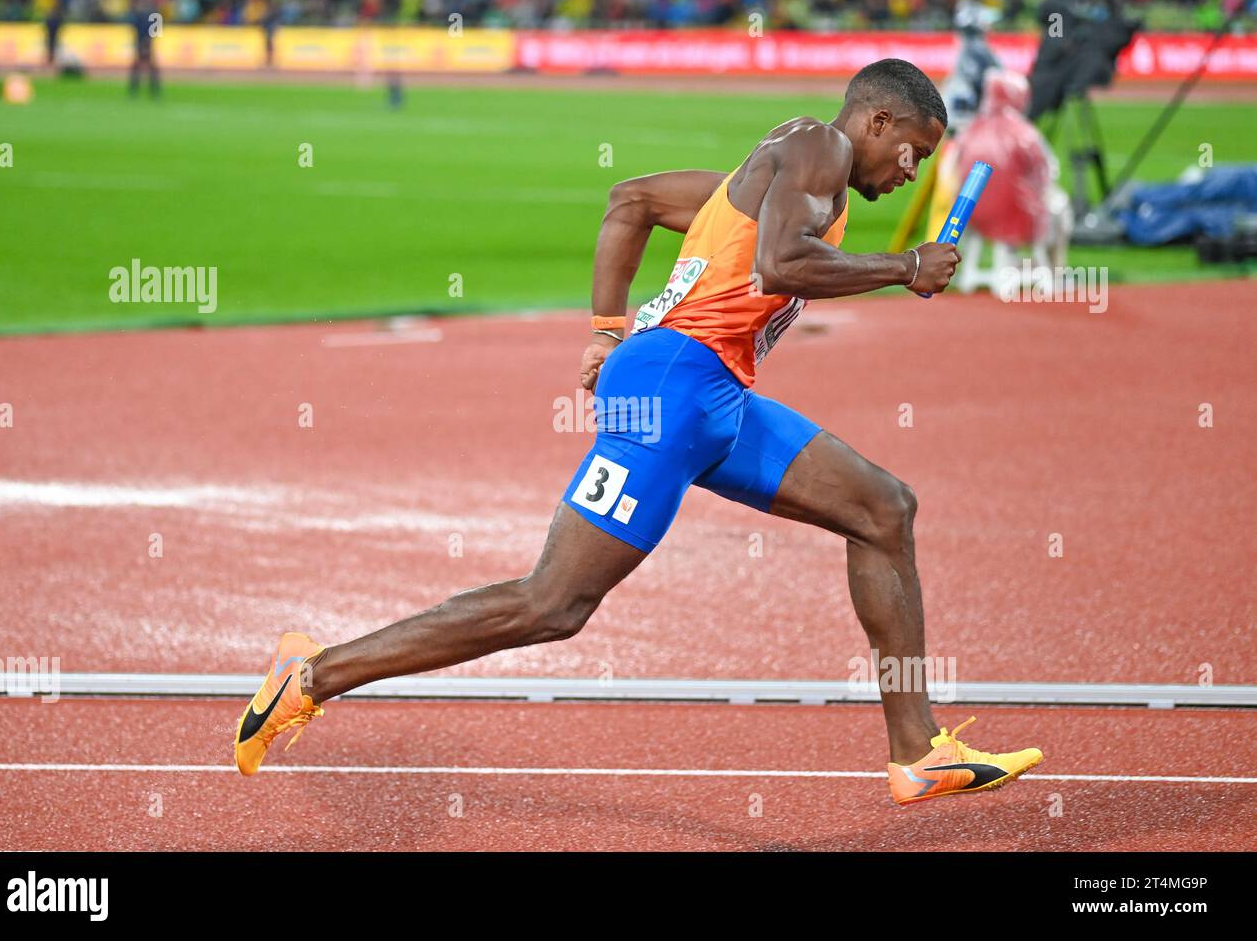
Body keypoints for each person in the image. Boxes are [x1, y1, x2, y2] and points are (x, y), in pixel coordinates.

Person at [234, 58, 1043, 806]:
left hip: (711, 394)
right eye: (911, 151)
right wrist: (902, 268)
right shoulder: (818, 146)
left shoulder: (771, 178)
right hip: (673, 388)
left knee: (882, 508)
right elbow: (780, 267)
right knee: (552, 603)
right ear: (874, 121)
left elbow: (632, 200)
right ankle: (308, 678)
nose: (911, 173)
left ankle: (917, 748)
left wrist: (603, 331)